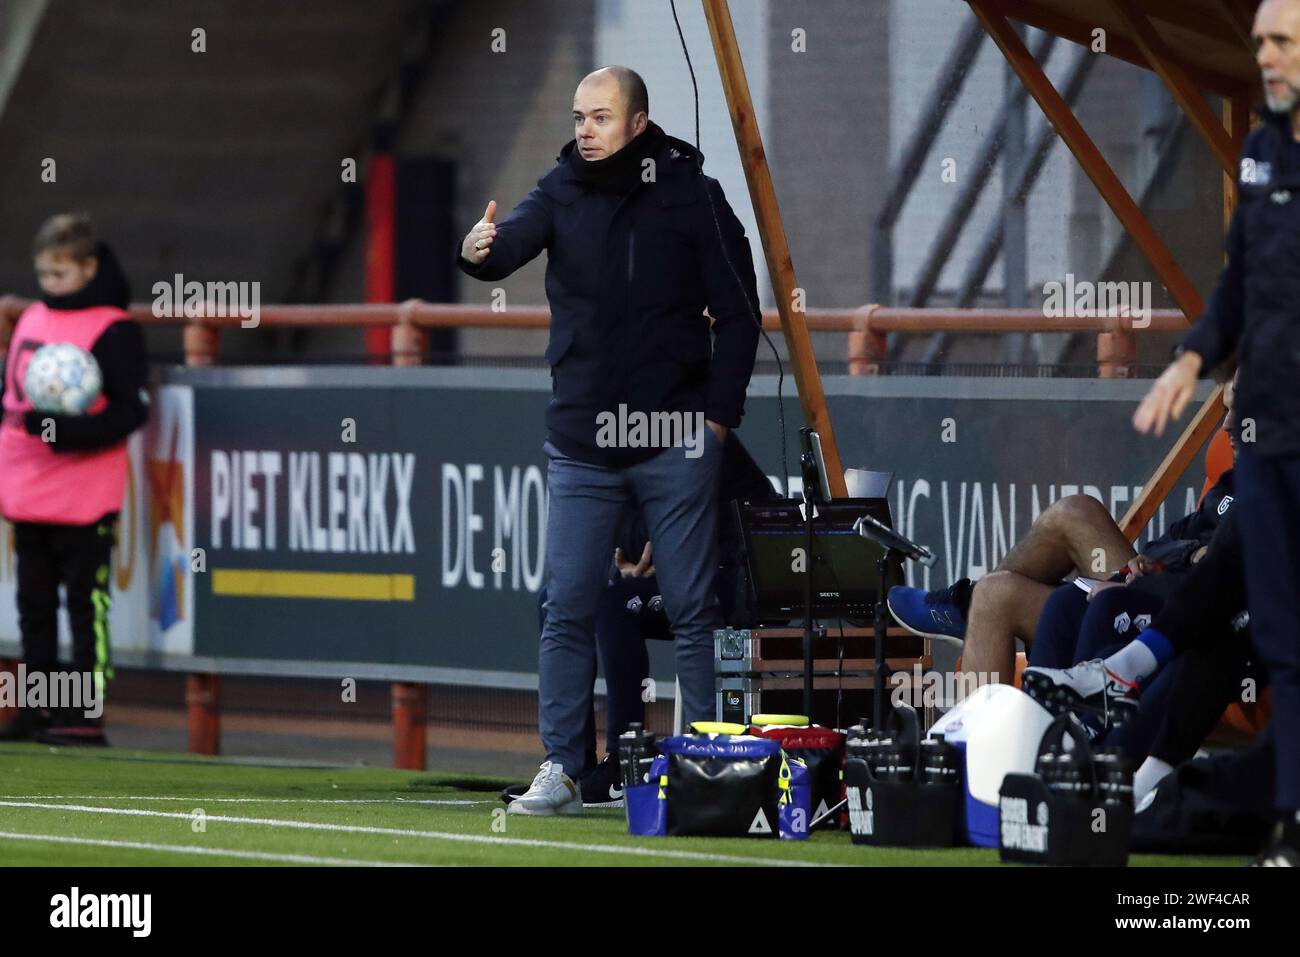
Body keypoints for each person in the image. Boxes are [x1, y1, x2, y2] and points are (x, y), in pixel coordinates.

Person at [457, 66, 760, 814]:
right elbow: (506, 247)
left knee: (695, 610)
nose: (583, 129)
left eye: (598, 117)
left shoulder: (693, 192)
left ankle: (706, 762)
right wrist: (478, 251)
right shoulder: (560, 187)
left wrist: (716, 423)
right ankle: (560, 768)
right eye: (578, 116)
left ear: (638, 121)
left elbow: (742, 316)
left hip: (675, 438)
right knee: (565, 602)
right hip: (582, 442)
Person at [1043, 0, 1300, 866]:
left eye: (1280, 40)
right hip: (1273, 425)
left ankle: (1141, 705)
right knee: (1246, 591)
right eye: (1259, 39)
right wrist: (1197, 358)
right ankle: (1151, 779)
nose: (1263, 54)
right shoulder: (1266, 149)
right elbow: (1239, 284)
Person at [0, 213, 150, 746]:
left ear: (89, 267)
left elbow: (131, 412)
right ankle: (40, 711)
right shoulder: (34, 317)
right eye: (44, 274)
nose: (50, 286)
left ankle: (84, 715)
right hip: (27, 490)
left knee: (86, 606)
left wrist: (66, 431)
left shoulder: (112, 330)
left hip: (85, 495)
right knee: (33, 607)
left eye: (61, 274)